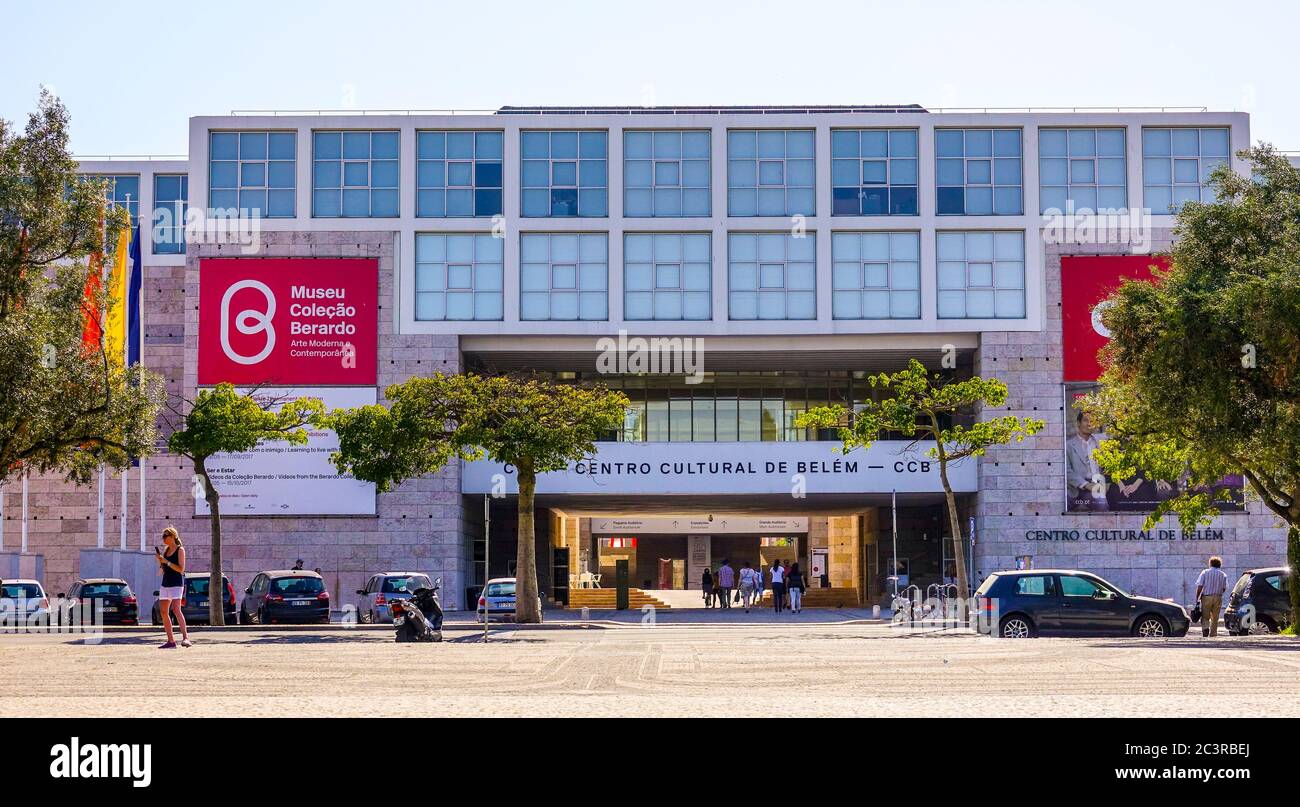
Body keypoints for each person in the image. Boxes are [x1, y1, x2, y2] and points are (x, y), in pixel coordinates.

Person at [1066, 410, 1110, 512]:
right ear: (1078, 423)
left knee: (1102, 505)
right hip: (1073, 488)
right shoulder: (1068, 445)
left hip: (1096, 487)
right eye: (1086, 420)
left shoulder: (1100, 440)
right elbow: (1066, 471)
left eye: (1092, 421)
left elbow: (1117, 433)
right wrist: (1086, 484)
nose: (1089, 424)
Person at [155, 526, 192, 649]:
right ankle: (171, 641)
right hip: (165, 583)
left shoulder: (180, 550)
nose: (164, 539)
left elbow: (181, 569)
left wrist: (167, 562)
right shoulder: (166, 551)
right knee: (164, 612)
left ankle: (186, 638)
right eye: (163, 536)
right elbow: (162, 571)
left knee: (176, 610)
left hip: (176, 583)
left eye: (166, 536)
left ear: (173, 537)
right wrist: (160, 562)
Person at [1195, 556, 1229, 638]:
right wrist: (1219, 593)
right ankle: (1213, 634)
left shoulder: (1205, 572)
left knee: (1205, 616)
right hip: (1218, 597)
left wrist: (1197, 597)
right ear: (1219, 564)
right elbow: (1224, 588)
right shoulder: (1223, 575)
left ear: (1210, 564)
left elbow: (1200, 586)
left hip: (1206, 597)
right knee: (1215, 617)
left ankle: (1205, 629)